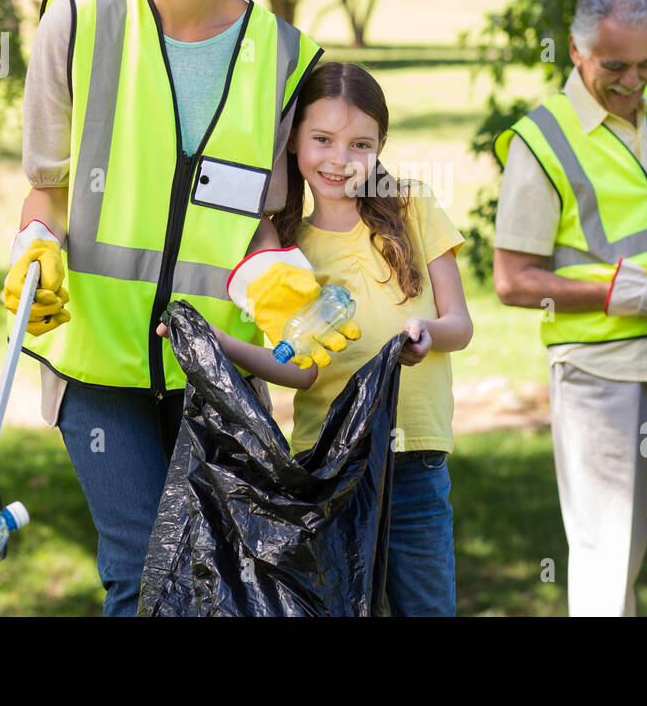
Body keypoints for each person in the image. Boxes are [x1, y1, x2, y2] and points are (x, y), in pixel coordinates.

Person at [3, 0, 324, 616]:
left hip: (212, 366)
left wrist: (283, 286)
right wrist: (34, 249)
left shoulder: (285, 56)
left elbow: (262, 222)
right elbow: (46, 187)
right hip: (94, 358)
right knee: (143, 564)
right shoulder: (77, 22)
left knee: (211, 569)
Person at [198, 62, 473, 616]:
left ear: (381, 146)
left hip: (414, 456)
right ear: (294, 137)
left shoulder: (414, 208)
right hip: (329, 466)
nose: (339, 160)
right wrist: (218, 346)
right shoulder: (287, 243)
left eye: (360, 144)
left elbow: (460, 325)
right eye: (322, 139)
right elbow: (299, 368)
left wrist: (426, 335)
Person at [492, 0, 647, 616]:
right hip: (600, 377)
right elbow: (511, 280)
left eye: (646, 64)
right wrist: (615, 295)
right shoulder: (541, 141)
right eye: (615, 66)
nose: (632, 81)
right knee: (609, 557)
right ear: (576, 51)